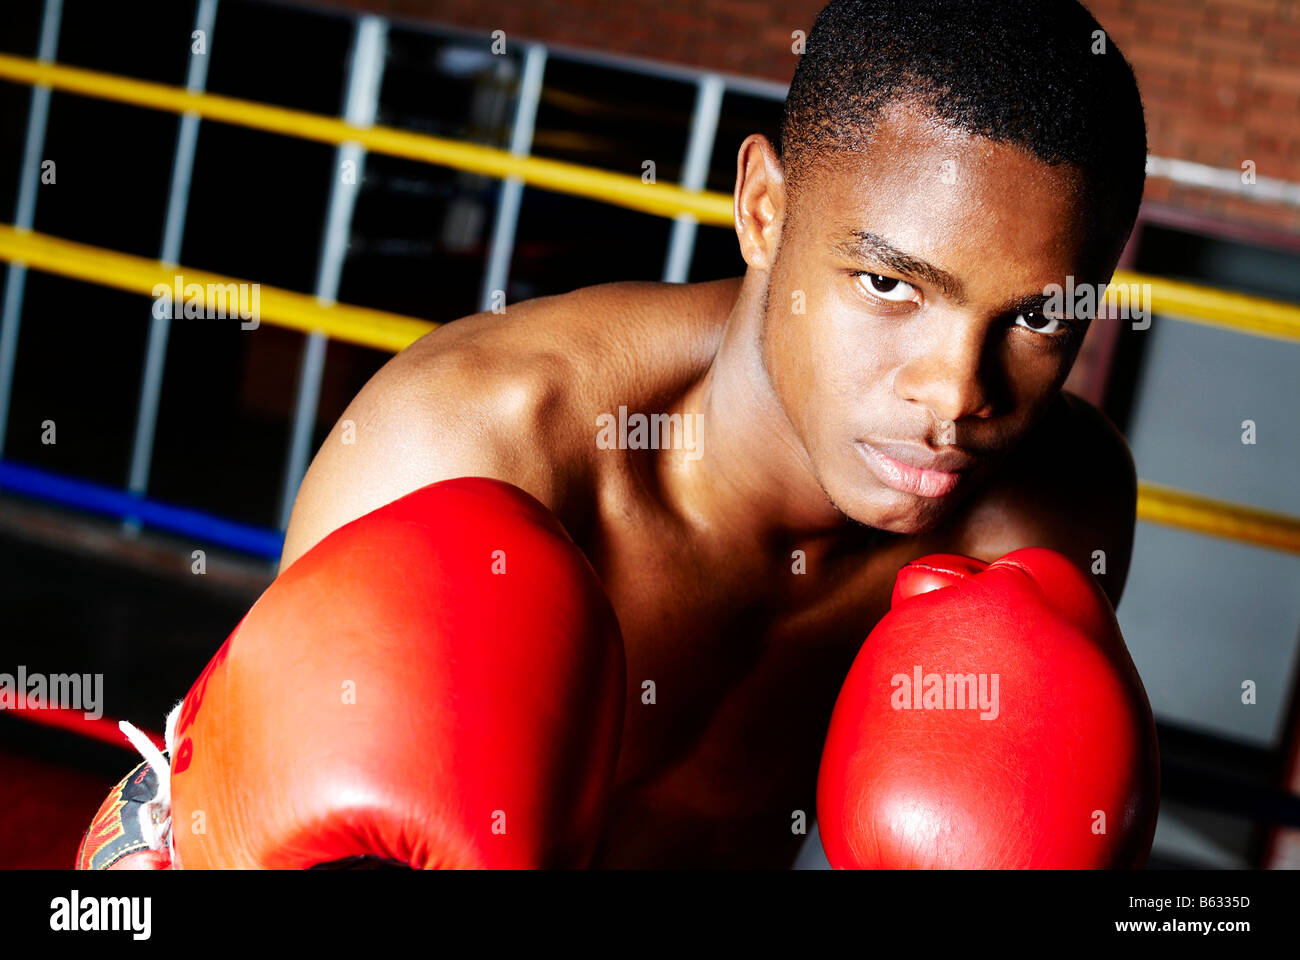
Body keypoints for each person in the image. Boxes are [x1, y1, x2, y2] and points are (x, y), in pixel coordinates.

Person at [81, 0, 1155, 869]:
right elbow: (218, 827)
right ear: (763, 209)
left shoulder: (1051, 514)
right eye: (887, 283)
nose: (955, 392)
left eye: (1040, 315)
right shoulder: (476, 446)